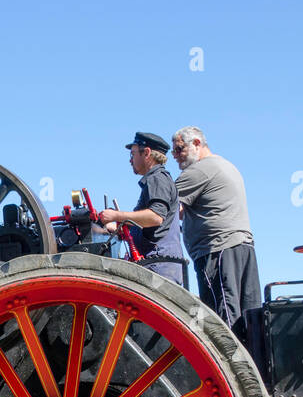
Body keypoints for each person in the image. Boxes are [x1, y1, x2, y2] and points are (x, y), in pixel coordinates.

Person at [171, 126, 261, 340]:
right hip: (242, 246)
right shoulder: (226, 165)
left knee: (222, 322)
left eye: (179, 149)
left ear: (196, 144)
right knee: (247, 316)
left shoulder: (198, 171)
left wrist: (120, 220)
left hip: (217, 250)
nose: (175, 156)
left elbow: (161, 210)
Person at [97, 131, 185, 285]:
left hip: (158, 267)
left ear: (147, 153)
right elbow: (146, 223)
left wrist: (116, 216)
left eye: (133, 154)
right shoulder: (157, 179)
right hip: (159, 265)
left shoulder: (157, 178)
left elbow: (155, 217)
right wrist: (116, 226)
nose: (130, 160)